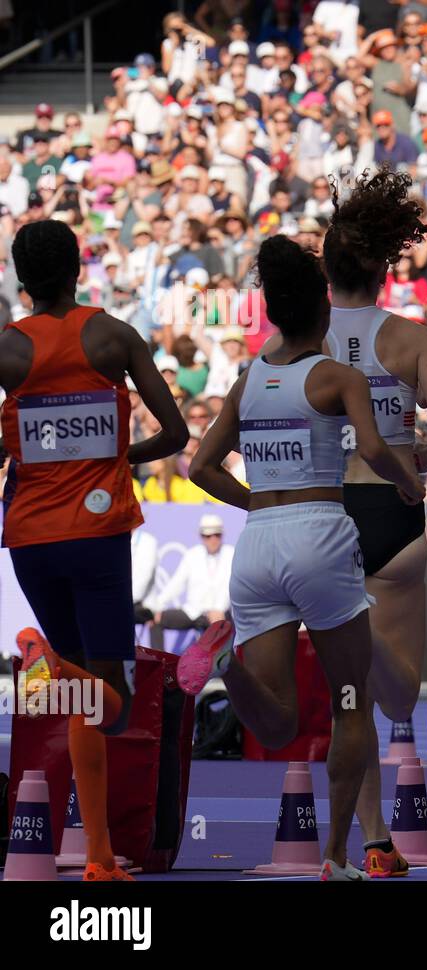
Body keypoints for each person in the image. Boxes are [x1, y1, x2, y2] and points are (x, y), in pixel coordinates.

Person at [183, 235, 427, 881]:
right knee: (350, 703)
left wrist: (257, 504)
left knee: (278, 718)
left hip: (258, 542)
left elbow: (200, 466)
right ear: (321, 312)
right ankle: (337, 856)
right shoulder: (335, 376)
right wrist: (406, 482)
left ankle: (227, 666)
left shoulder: (245, 382)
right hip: (320, 536)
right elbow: (372, 449)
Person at [0, 219, 191, 881]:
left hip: (30, 537)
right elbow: (175, 432)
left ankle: (102, 855)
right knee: (110, 701)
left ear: (21, 280)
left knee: (83, 694)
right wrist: (118, 455)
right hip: (98, 532)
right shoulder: (113, 335)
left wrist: (22, 448)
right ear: (78, 269)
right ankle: (40, 655)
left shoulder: (7, 350)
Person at [319, 167, 427, 873]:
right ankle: (370, 639)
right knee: (399, 693)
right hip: (393, 507)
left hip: (327, 511)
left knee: (346, 701)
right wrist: (419, 468)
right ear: (383, 269)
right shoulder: (410, 338)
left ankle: (372, 841)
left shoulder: (301, 339)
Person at [149, 514, 234, 651]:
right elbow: (176, 584)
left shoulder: (231, 553)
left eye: (217, 535)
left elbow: (229, 587)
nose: (213, 539)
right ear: (201, 537)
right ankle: (159, 665)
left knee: (222, 624)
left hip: (220, 613)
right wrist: (157, 607)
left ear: (222, 535)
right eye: (208, 536)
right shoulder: (192, 555)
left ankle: (221, 670)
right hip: (193, 612)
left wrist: (219, 609)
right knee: (155, 620)